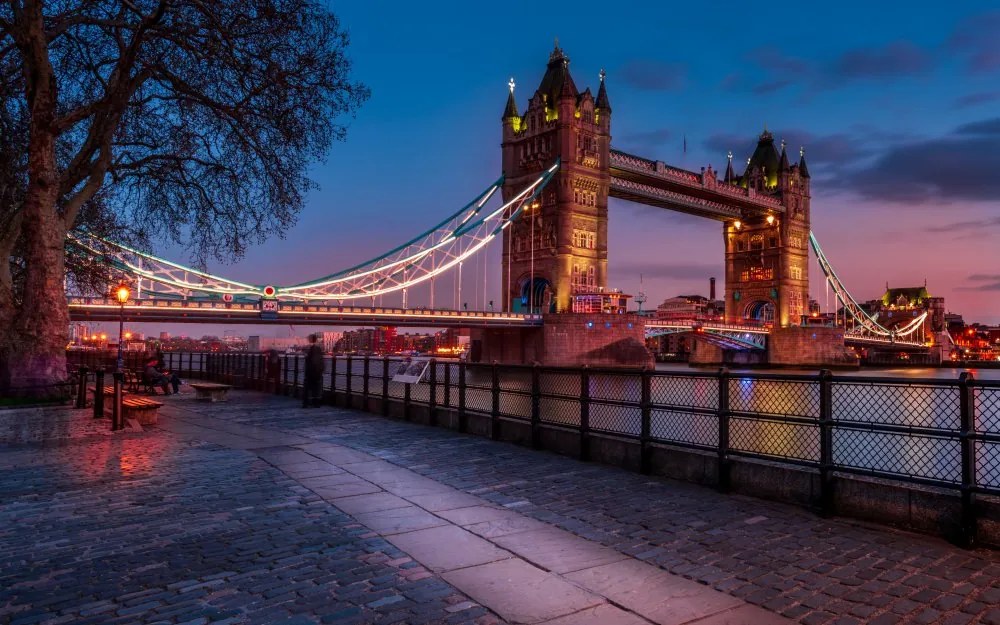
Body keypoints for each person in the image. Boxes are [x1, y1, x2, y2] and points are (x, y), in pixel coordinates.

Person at [302, 334, 325, 408]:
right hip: (317, 372)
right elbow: (321, 361)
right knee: (317, 388)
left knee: (307, 388)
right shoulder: (319, 348)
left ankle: (306, 403)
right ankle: (316, 403)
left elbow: (311, 360)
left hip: (311, 372)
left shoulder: (310, 348)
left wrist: (306, 358)